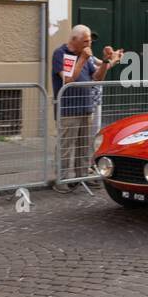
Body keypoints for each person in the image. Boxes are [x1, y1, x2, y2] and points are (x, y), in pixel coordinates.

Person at [52, 25, 123, 192]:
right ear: (74, 40)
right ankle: (61, 179)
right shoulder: (62, 54)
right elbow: (69, 80)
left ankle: (82, 176)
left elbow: (96, 77)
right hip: (68, 109)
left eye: (89, 41)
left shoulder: (84, 54)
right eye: (85, 41)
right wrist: (83, 58)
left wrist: (106, 61)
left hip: (86, 107)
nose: (88, 45)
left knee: (85, 146)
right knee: (66, 146)